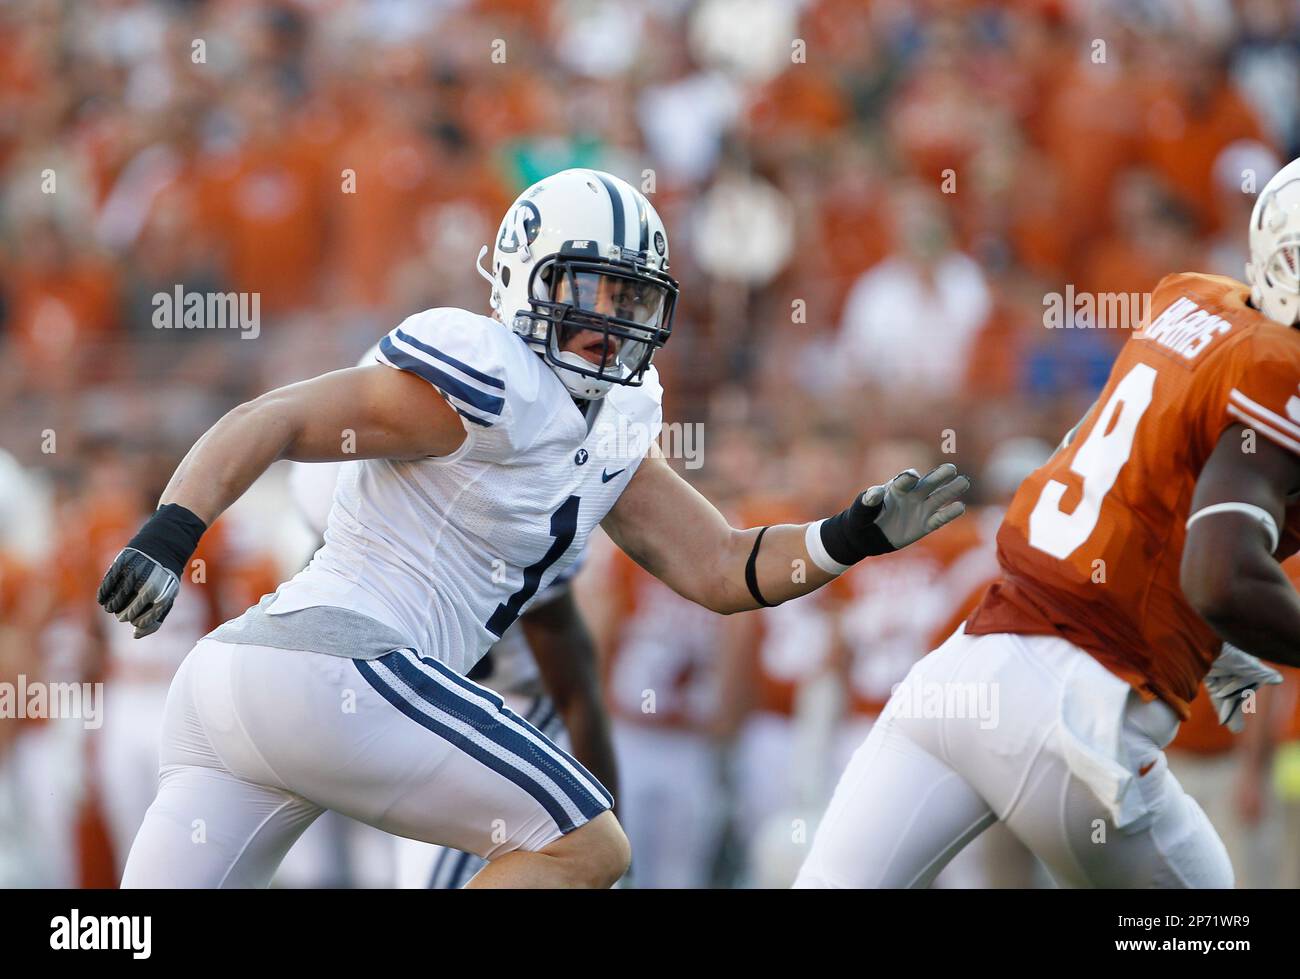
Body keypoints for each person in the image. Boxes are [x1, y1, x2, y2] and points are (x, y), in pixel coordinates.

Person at [96, 168, 970, 889]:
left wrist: (845, 536)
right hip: (337, 666)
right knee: (586, 844)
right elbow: (279, 414)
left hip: (238, 692)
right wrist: (172, 533)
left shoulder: (613, 420)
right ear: (524, 273)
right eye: (590, 287)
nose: (611, 319)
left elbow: (718, 566)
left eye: (631, 294)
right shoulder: (491, 375)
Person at [796, 158, 1300, 889]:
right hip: (1072, 711)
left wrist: (1212, 644)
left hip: (959, 674)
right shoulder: (1277, 366)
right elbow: (1220, 575)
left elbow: (1151, 496)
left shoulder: (1194, 300)